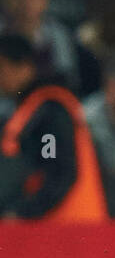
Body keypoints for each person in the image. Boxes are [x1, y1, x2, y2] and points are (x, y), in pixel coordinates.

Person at [0, 33, 106, 220]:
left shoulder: (50, 112)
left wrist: (21, 213)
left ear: (25, 67)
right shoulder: (30, 111)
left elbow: (59, 172)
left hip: (70, 227)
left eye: (2, 68)